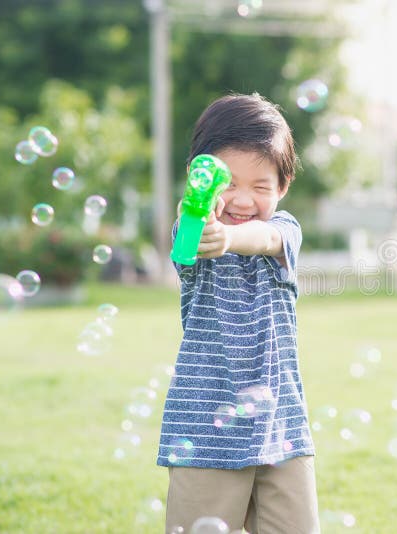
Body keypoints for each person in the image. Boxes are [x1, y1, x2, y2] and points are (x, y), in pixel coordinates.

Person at [157, 93, 319, 534]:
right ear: (202, 177)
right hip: (205, 431)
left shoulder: (283, 233)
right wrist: (197, 212)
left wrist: (230, 238)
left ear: (282, 188)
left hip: (281, 426)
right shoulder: (194, 237)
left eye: (261, 186)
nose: (243, 199)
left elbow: (263, 238)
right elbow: (188, 233)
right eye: (228, 182)